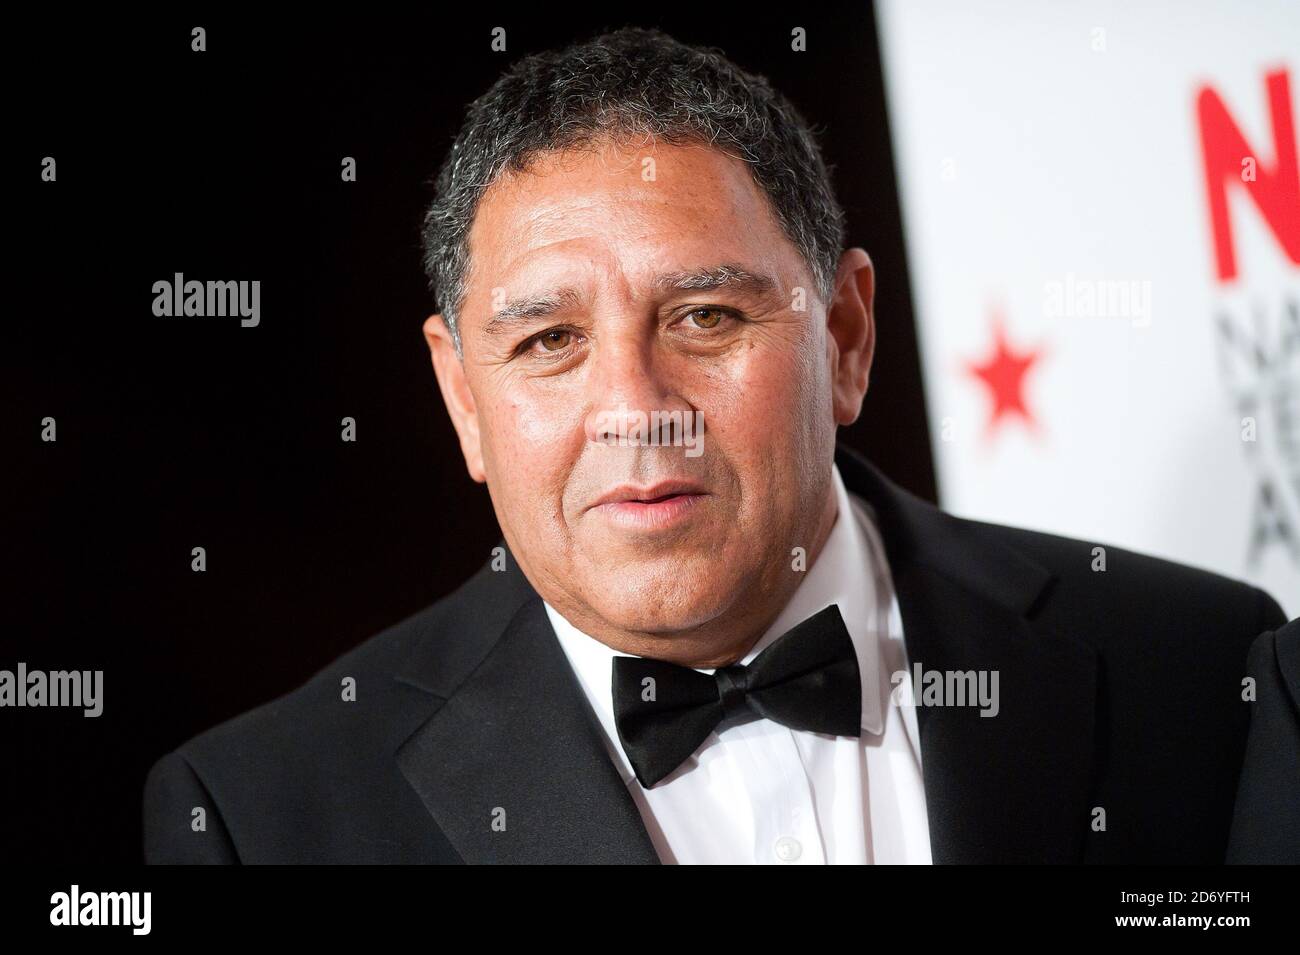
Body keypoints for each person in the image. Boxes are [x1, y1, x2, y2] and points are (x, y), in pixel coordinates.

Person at [143, 26, 1290, 864]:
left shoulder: (1201, 672)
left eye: (706, 318)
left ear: (844, 337)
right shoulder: (261, 819)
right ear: (461, 398)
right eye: (548, 339)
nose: (635, 408)